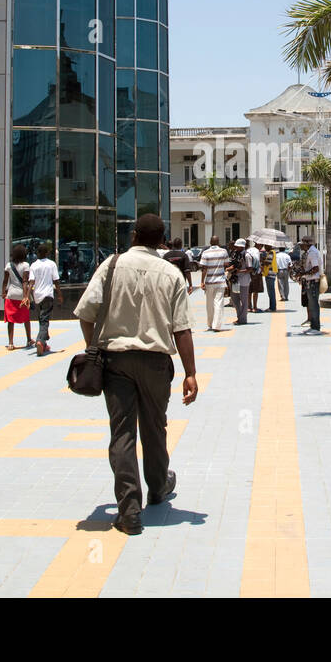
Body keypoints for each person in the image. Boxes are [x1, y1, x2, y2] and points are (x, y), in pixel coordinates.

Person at [75, 213, 198, 536]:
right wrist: (190, 373)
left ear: (133, 236)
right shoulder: (171, 274)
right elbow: (182, 328)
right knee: (155, 428)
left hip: (115, 362)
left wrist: (93, 349)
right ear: (161, 241)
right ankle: (158, 487)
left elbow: (85, 312)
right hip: (156, 363)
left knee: (123, 434)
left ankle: (129, 510)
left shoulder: (112, 265)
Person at [29, 242, 63, 356]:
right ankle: (40, 340)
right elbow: (56, 280)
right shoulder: (51, 264)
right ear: (47, 253)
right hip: (48, 295)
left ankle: (44, 342)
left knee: (41, 319)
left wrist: (26, 296)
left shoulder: (33, 265)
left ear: (37, 253)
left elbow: (31, 282)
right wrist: (59, 294)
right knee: (44, 321)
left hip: (37, 296)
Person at [1, 244, 34, 350]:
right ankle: (29, 340)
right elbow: (25, 281)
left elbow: (5, 280)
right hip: (21, 295)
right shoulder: (25, 265)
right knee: (26, 318)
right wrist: (25, 296)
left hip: (11, 295)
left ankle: (10, 343)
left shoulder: (9, 265)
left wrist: (3, 292)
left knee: (10, 320)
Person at [197, 236, 229, 331]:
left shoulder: (205, 252)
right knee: (218, 303)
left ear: (210, 242)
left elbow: (204, 269)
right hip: (220, 281)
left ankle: (210, 323)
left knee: (209, 304)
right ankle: (217, 326)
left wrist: (202, 282)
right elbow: (226, 264)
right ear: (218, 242)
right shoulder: (223, 251)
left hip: (209, 282)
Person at [300, 235, 322, 334]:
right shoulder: (310, 252)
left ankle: (316, 327)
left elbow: (315, 268)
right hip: (311, 281)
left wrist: (304, 274)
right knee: (311, 304)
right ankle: (313, 326)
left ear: (307, 244)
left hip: (313, 281)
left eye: (303, 243)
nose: (301, 245)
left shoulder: (312, 253)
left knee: (314, 305)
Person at [229, 238, 251, 324]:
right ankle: (239, 317)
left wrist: (239, 271)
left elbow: (250, 269)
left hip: (244, 281)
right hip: (236, 280)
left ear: (242, 247)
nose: (236, 248)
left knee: (244, 301)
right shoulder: (236, 255)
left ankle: (243, 319)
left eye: (238, 247)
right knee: (235, 299)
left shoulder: (247, 255)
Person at [245, 239, 262, 313]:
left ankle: (249, 307)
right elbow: (257, 261)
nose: (262, 247)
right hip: (256, 273)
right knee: (255, 291)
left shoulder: (249, 250)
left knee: (249, 290)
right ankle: (255, 307)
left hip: (248, 273)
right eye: (261, 245)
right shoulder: (257, 251)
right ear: (258, 244)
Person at [261, 243, 278, 311]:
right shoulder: (270, 252)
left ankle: (272, 307)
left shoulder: (271, 252)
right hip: (270, 273)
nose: (265, 247)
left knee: (271, 291)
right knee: (271, 291)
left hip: (270, 274)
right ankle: (272, 306)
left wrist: (261, 260)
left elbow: (268, 262)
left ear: (269, 246)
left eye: (266, 245)